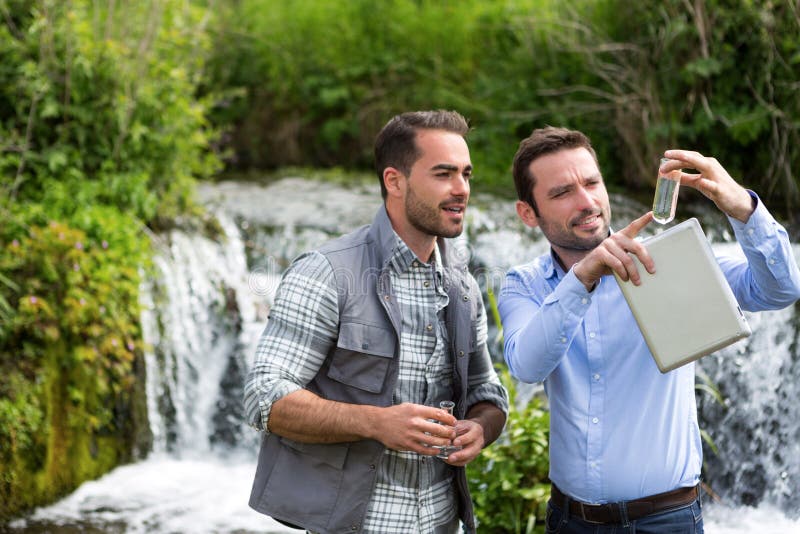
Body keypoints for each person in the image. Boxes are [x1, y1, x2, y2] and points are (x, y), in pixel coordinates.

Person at [498, 126, 800, 533]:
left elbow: (780, 290)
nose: (587, 202)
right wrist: (583, 278)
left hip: (669, 520)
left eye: (592, 183)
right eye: (562, 192)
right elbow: (527, 366)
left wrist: (745, 209)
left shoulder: (670, 260)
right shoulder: (524, 284)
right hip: (572, 522)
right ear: (527, 213)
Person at [244, 110, 509, 534]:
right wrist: (375, 422)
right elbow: (263, 398)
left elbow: (487, 392)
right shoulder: (326, 272)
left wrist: (480, 428)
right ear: (394, 181)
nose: (462, 189)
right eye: (443, 174)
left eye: (466, 174)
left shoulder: (463, 287)